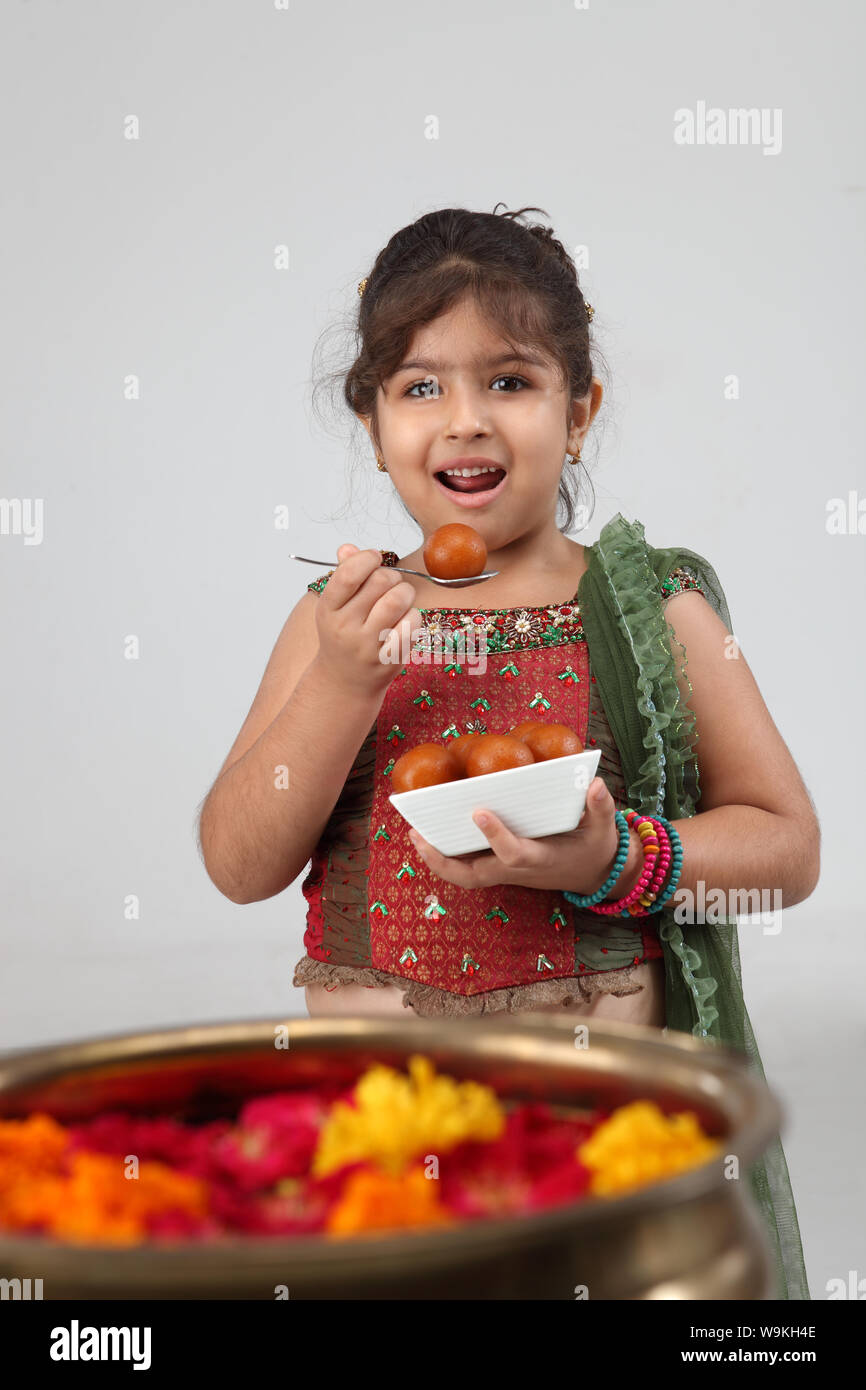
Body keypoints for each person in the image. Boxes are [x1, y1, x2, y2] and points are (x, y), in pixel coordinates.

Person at [197, 205, 817, 1298]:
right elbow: (239, 865)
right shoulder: (334, 621)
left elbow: (784, 848)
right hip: (378, 1118)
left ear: (579, 412)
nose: (464, 421)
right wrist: (345, 677)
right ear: (373, 417)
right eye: (419, 386)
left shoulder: (648, 611)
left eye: (511, 381)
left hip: (596, 1112)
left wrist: (611, 862)